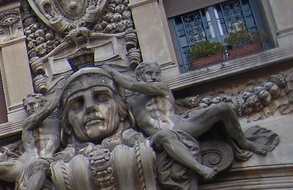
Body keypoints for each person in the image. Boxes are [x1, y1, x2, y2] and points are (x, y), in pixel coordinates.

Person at [112, 60, 278, 179]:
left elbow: (130, 85)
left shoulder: (161, 88)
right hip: (157, 138)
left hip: (182, 125)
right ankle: (200, 169)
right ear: (139, 75)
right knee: (165, 135)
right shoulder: (130, 103)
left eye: (157, 73)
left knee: (223, 108)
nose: (154, 77)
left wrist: (109, 71)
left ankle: (244, 141)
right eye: (149, 73)